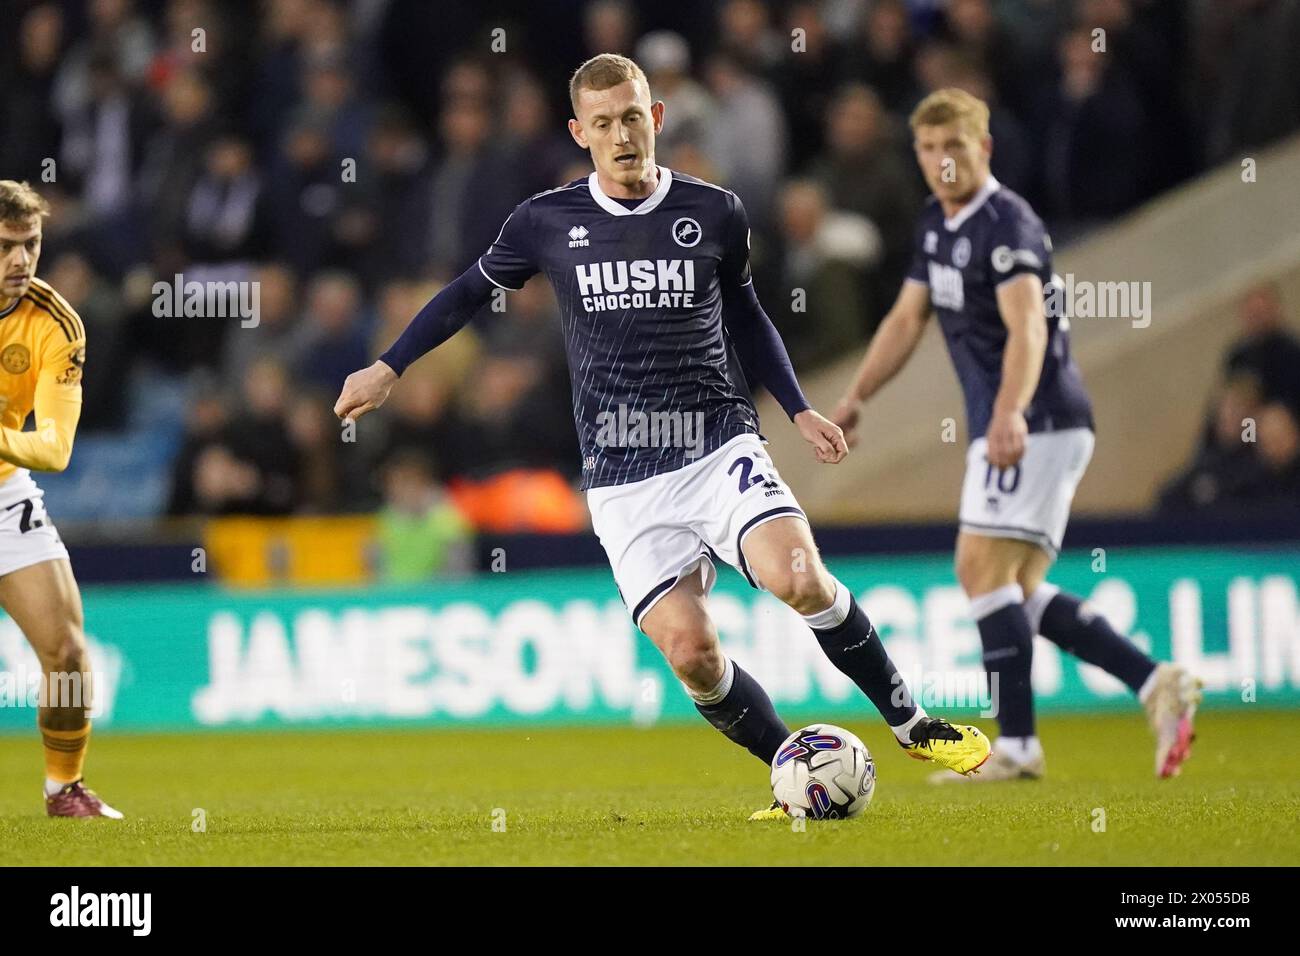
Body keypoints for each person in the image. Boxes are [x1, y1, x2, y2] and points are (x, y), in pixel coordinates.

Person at [335, 55, 991, 819]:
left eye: (633, 116)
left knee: (800, 575)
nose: (622, 134)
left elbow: (747, 315)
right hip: (623, 479)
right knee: (692, 654)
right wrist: (389, 367)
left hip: (719, 444)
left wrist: (797, 408)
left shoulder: (715, 211)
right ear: (580, 132)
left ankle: (912, 724)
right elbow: (464, 295)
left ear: (658, 118)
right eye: (604, 123)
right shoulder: (545, 222)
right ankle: (789, 766)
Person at [832, 89, 1201, 781]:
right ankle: (1154, 682)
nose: (943, 162)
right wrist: (856, 397)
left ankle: (1020, 746)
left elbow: (1029, 325)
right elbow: (907, 319)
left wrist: (1009, 411)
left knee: (979, 570)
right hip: (1017, 424)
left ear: (986, 149)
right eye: (930, 149)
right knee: (1018, 588)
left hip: (1036, 419)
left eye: (956, 148)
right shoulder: (936, 223)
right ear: (916, 154)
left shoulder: (1008, 223)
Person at [0, 180, 121, 817]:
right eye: (4, 247)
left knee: (68, 650)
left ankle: (64, 788)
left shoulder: (55, 324)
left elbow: (53, 449)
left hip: (3, 489)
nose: (21, 261)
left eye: (31, 245)